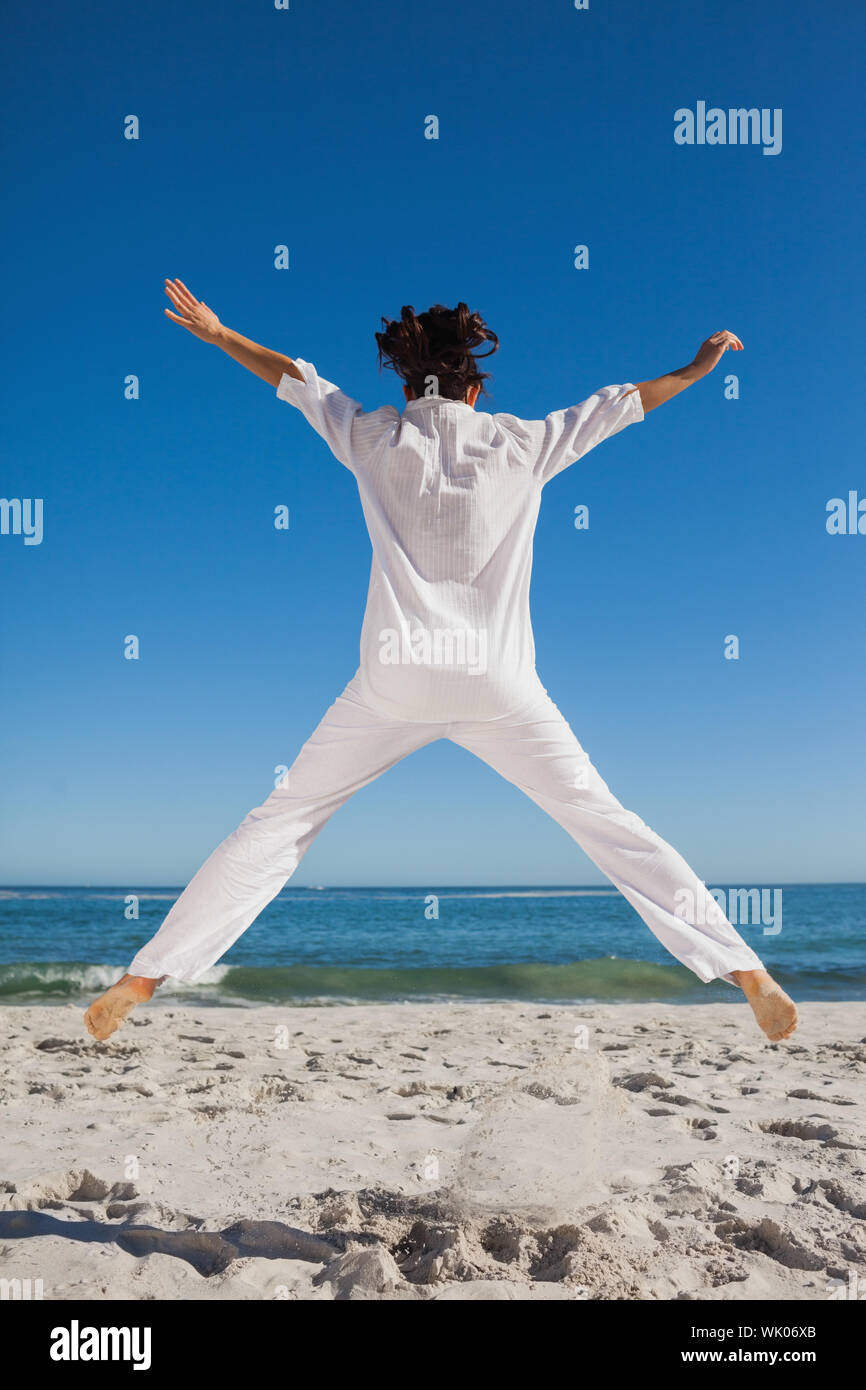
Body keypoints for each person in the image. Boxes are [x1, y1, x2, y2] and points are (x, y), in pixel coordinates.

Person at [84, 280, 798, 1044]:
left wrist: (222, 335)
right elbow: (625, 403)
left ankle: (143, 977)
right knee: (609, 824)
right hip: (501, 684)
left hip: (394, 679)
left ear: (404, 378)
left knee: (282, 821)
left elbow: (296, 379)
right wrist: (694, 370)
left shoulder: (373, 437)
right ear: (477, 386)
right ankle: (745, 972)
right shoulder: (525, 441)